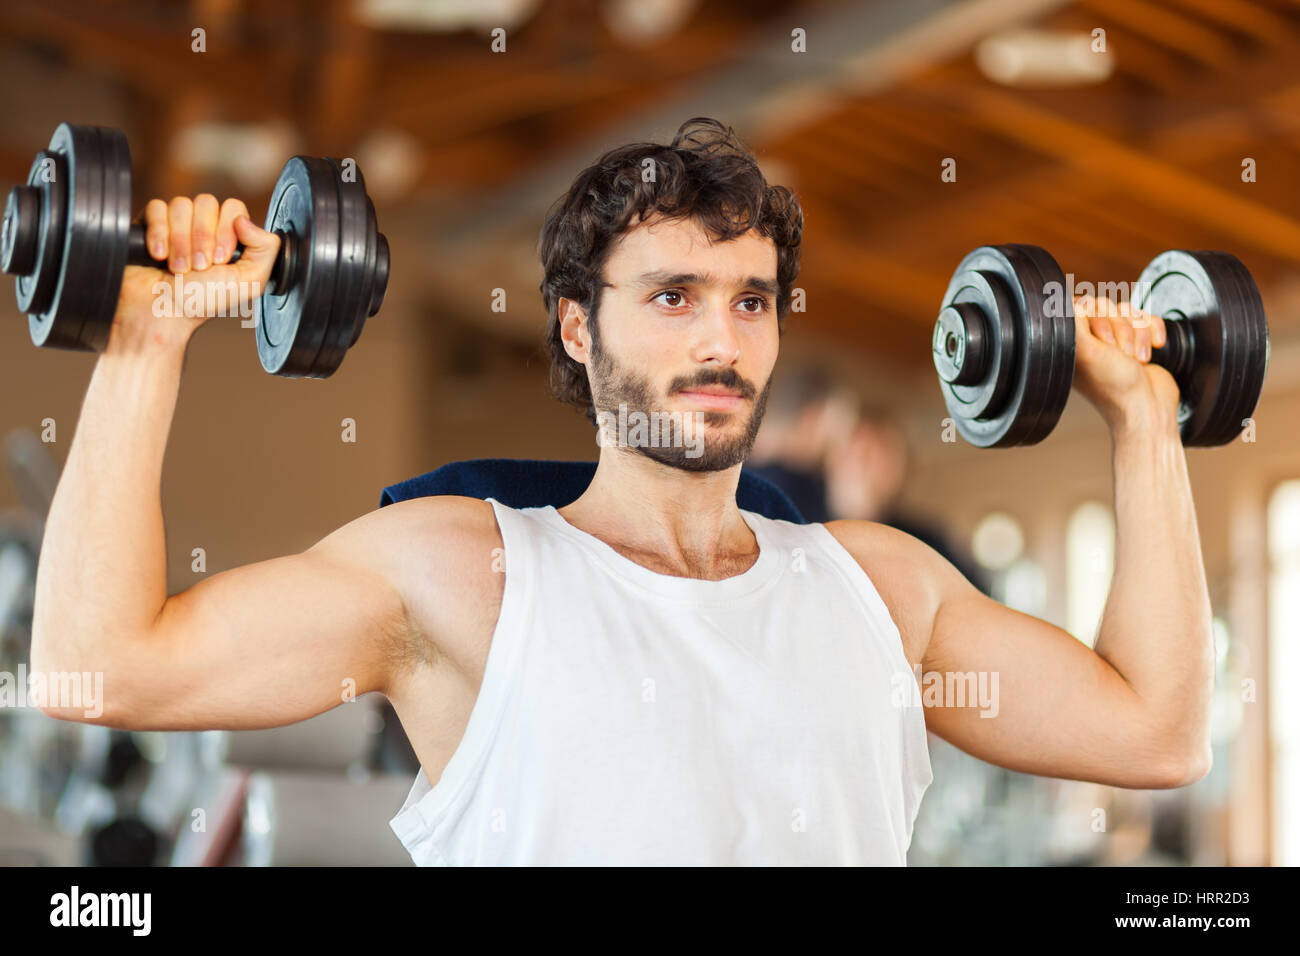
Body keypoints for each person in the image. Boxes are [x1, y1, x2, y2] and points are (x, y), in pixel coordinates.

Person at [31, 117, 1212, 866]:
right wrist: (148, 338)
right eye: (672, 296)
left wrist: (1146, 418)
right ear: (576, 327)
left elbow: (1155, 732)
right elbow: (103, 664)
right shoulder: (458, 570)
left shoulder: (880, 584)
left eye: (751, 300)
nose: (723, 340)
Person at [824, 408, 991, 595]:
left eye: (883, 455)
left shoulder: (924, 541)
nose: (863, 465)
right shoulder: (802, 527)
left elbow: (974, 597)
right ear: (834, 458)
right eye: (860, 452)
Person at [744, 360, 858, 524]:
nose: (839, 447)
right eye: (836, 432)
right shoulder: (804, 494)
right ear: (813, 417)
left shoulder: (728, 455)